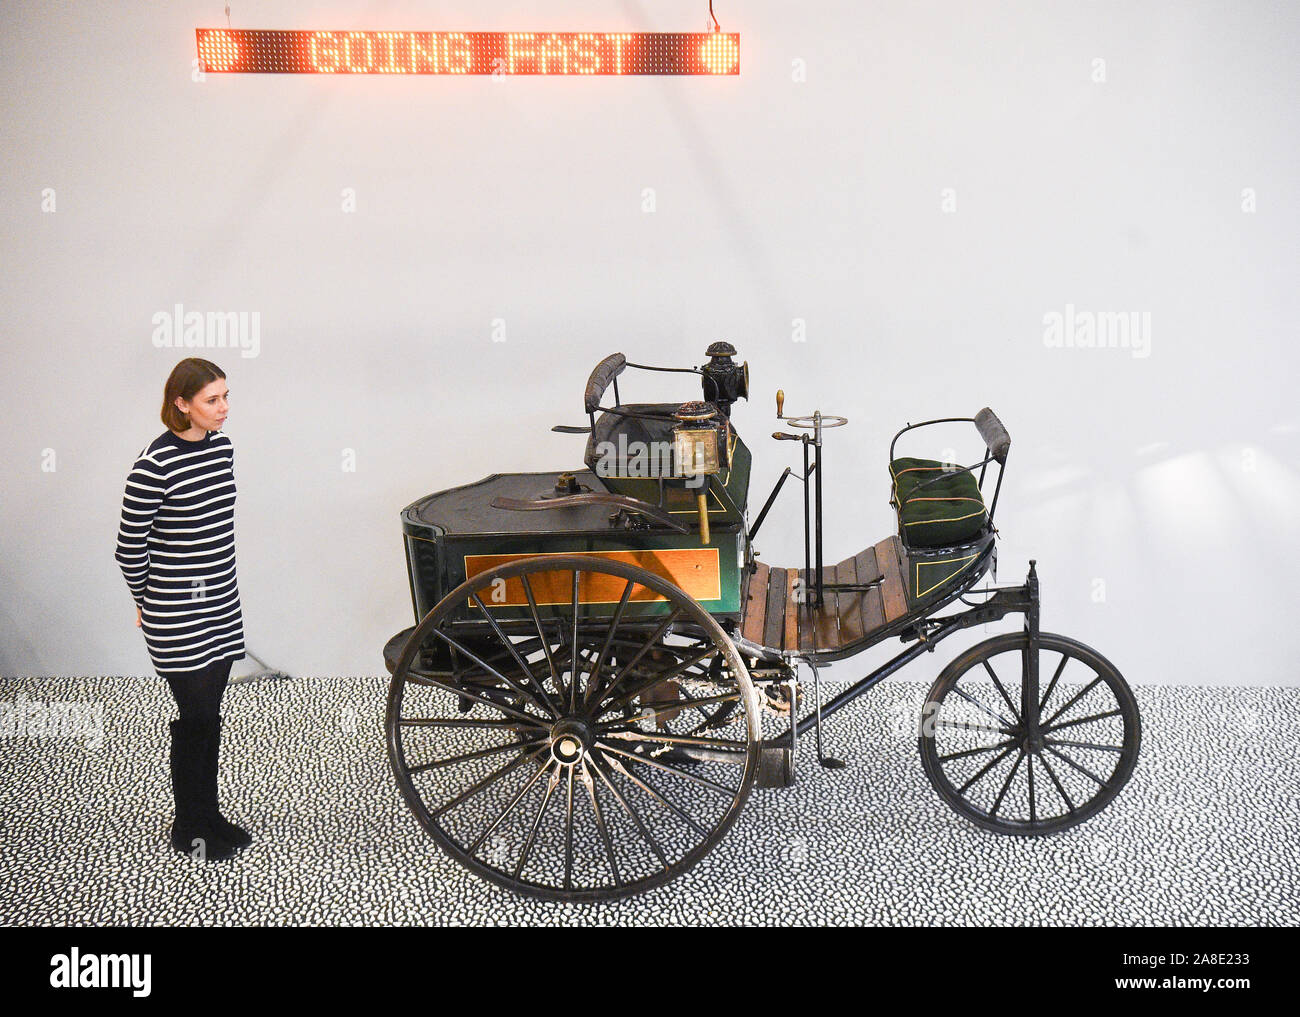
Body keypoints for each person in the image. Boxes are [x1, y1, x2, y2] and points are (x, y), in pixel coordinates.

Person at [115, 357, 251, 861]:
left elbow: (218, 529)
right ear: (181, 404)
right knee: (194, 716)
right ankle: (188, 826)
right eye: (212, 399)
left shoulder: (222, 449)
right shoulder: (153, 465)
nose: (223, 408)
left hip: (220, 601)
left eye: (225, 396)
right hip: (175, 610)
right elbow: (130, 546)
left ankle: (209, 814)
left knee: (210, 716)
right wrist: (143, 601)